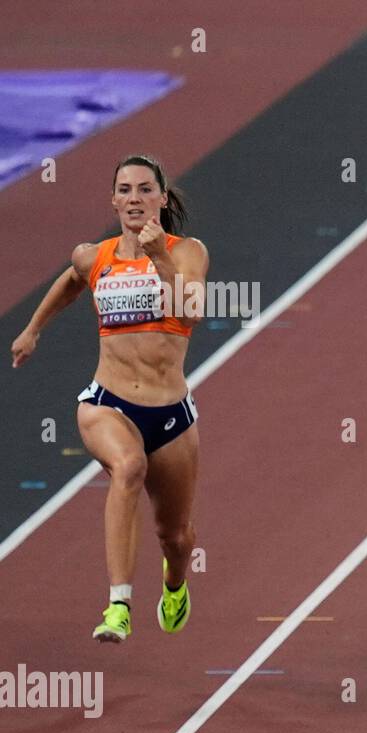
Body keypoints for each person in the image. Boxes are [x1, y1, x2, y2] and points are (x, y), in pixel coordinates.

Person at [11, 154, 207, 642]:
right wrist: (32, 330)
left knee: (176, 537)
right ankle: (119, 604)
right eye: (126, 189)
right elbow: (71, 281)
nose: (135, 198)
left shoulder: (187, 253)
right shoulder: (94, 255)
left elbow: (190, 315)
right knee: (127, 468)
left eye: (145, 189)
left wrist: (159, 255)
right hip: (107, 403)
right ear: (114, 200)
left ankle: (175, 584)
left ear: (162, 198)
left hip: (171, 415)